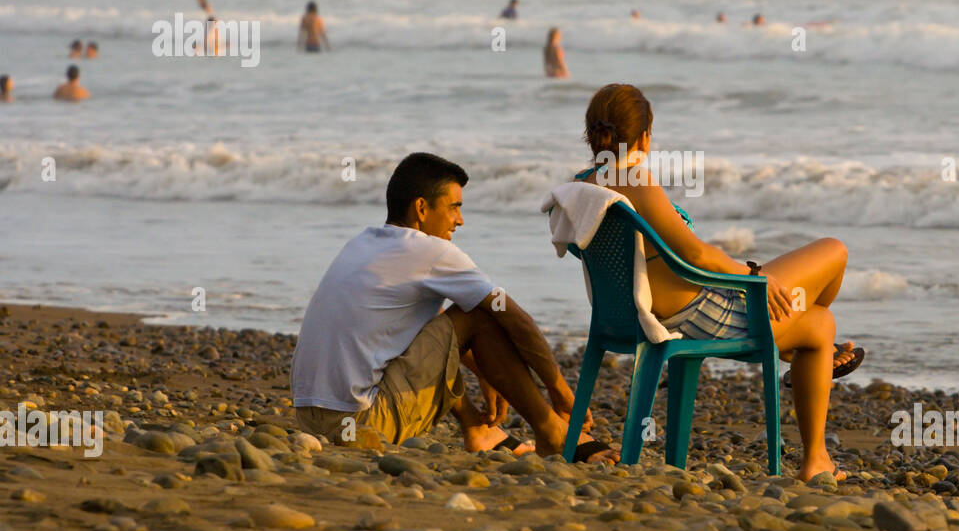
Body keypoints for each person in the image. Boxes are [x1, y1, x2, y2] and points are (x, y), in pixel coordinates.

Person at [574, 84, 864, 481]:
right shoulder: (635, 178)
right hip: (698, 315)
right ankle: (801, 366)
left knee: (815, 322)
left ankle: (811, 414)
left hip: (630, 314)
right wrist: (753, 274)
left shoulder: (584, 184)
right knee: (834, 255)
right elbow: (696, 255)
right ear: (644, 135)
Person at [291, 152, 615, 462]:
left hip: (311, 417)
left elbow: (428, 335)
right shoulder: (432, 252)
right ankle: (551, 430)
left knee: (444, 318)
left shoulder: (364, 242)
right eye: (454, 207)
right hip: (362, 422)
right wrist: (560, 392)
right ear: (421, 208)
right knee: (480, 313)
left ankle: (478, 428)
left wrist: (487, 374)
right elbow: (517, 320)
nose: (460, 220)